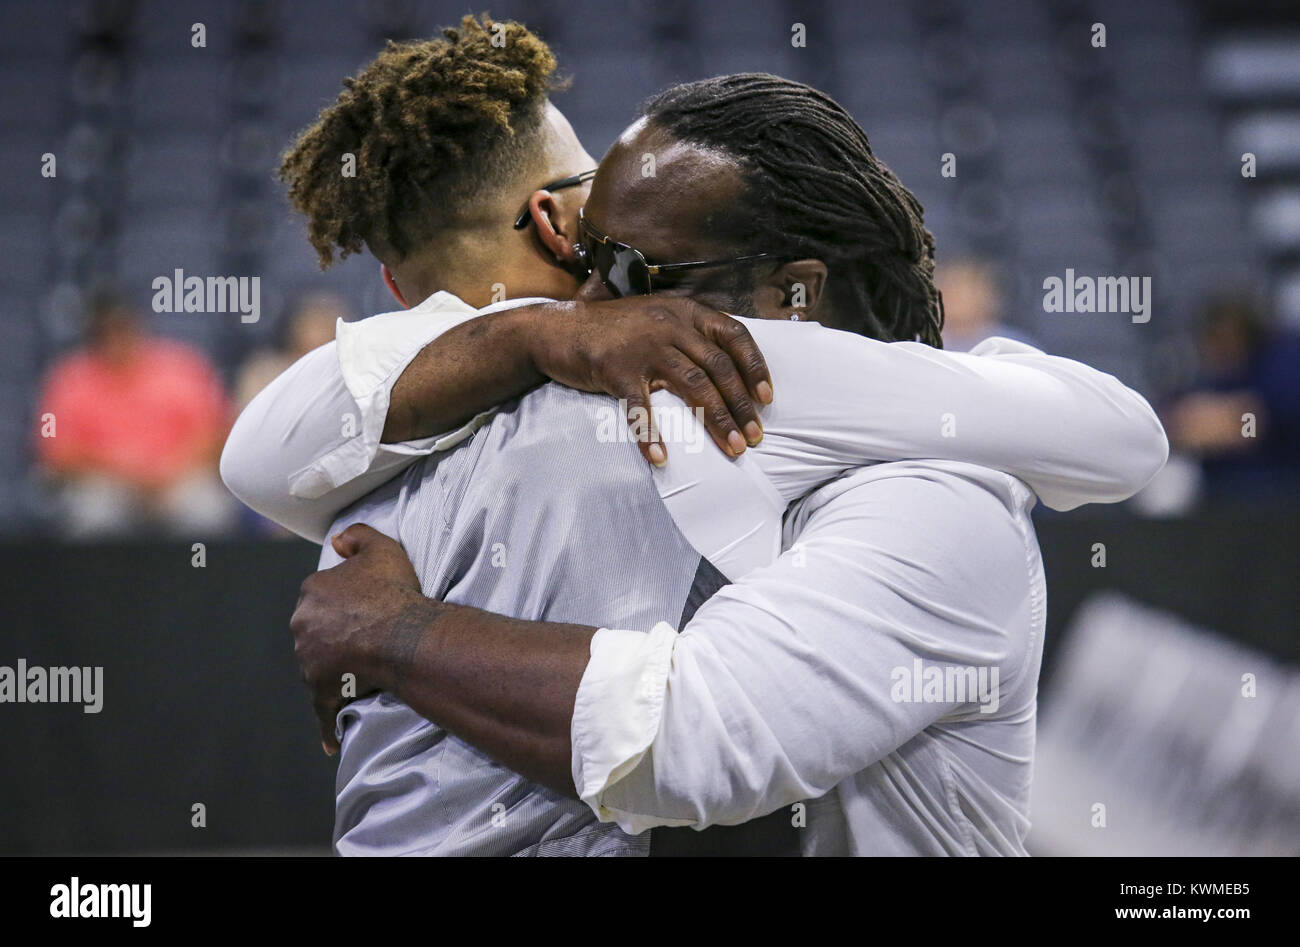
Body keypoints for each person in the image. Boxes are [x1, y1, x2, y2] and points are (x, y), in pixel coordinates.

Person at [224, 21, 1167, 855]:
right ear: (555, 223)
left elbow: (254, 459)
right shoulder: (636, 385)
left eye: (633, 267)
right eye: (598, 256)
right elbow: (1110, 436)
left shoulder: (377, 433)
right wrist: (552, 335)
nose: (604, 303)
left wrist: (390, 632)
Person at [36, 291, 234, 538]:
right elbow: (55, 450)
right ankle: (102, 577)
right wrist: (121, 467)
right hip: (105, 482)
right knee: (94, 512)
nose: (115, 339)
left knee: (207, 510)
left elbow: (216, 433)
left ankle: (195, 575)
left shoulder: (184, 366)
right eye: (105, 332)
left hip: (177, 478)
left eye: (122, 328)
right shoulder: (67, 378)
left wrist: (169, 469)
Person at [1163, 293, 1300, 500]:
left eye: (1223, 336)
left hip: (1282, 497)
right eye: (1209, 339)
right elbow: (1175, 422)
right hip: (1221, 502)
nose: (1215, 349)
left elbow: (1258, 423)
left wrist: (1234, 423)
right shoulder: (1208, 377)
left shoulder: (1283, 361)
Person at [936, 257, 1036, 353]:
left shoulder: (1013, 346)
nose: (955, 300)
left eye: (962, 294)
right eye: (950, 290)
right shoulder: (923, 344)